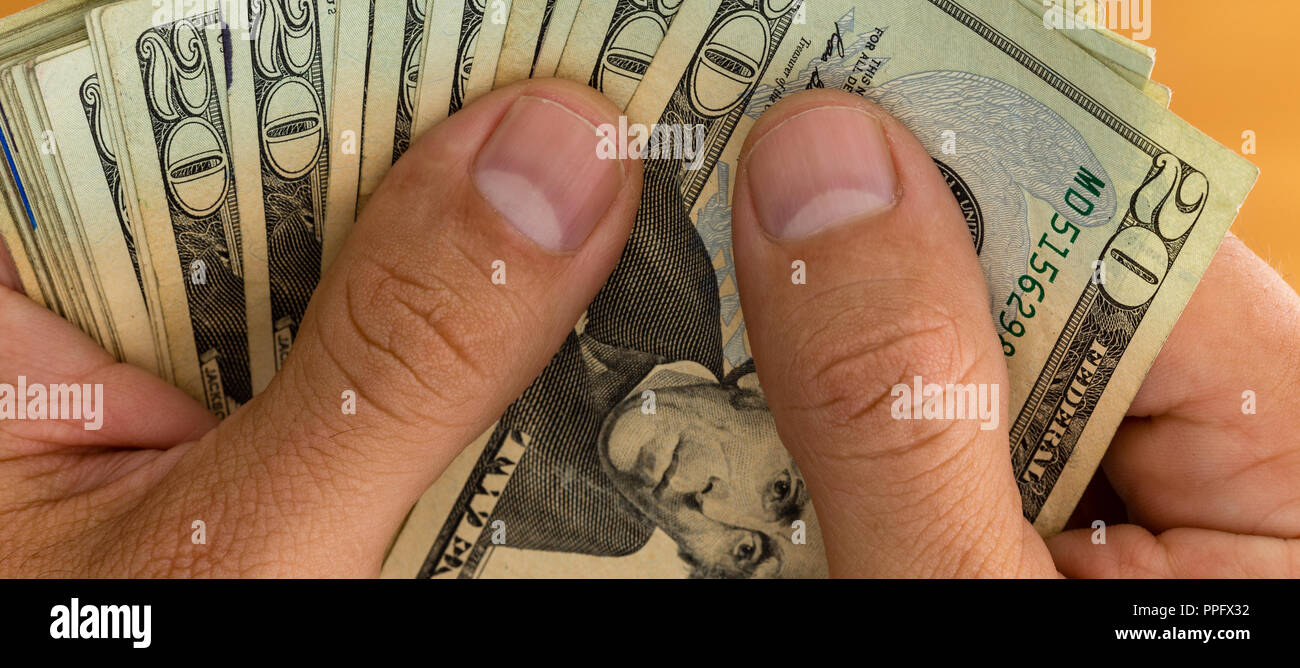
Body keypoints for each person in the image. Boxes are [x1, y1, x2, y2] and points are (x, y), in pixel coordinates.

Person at [0, 79, 1295, 577]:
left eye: (735, 557)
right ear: (757, 390)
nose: (718, 522)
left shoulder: (597, 520)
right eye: (778, 494)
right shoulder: (662, 254)